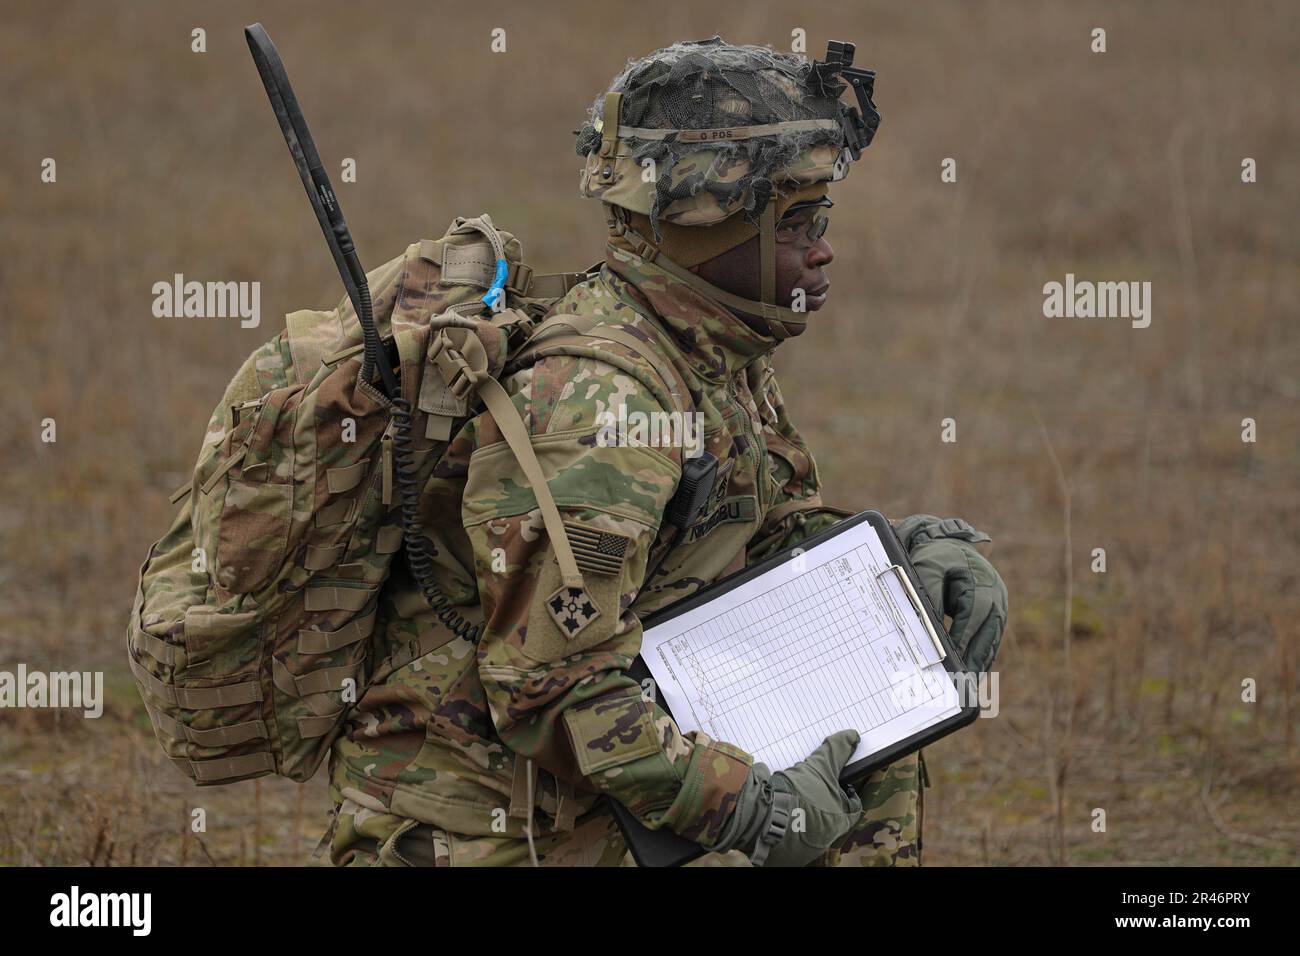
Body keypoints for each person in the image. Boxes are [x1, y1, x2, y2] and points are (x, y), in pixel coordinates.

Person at [325, 36, 1007, 867]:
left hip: (578, 780)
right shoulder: (604, 403)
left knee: (872, 755)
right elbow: (555, 687)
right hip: (493, 824)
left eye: (821, 220)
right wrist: (755, 812)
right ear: (702, 231)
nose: (823, 249)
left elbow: (739, 552)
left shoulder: (703, 343)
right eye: (796, 223)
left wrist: (903, 568)